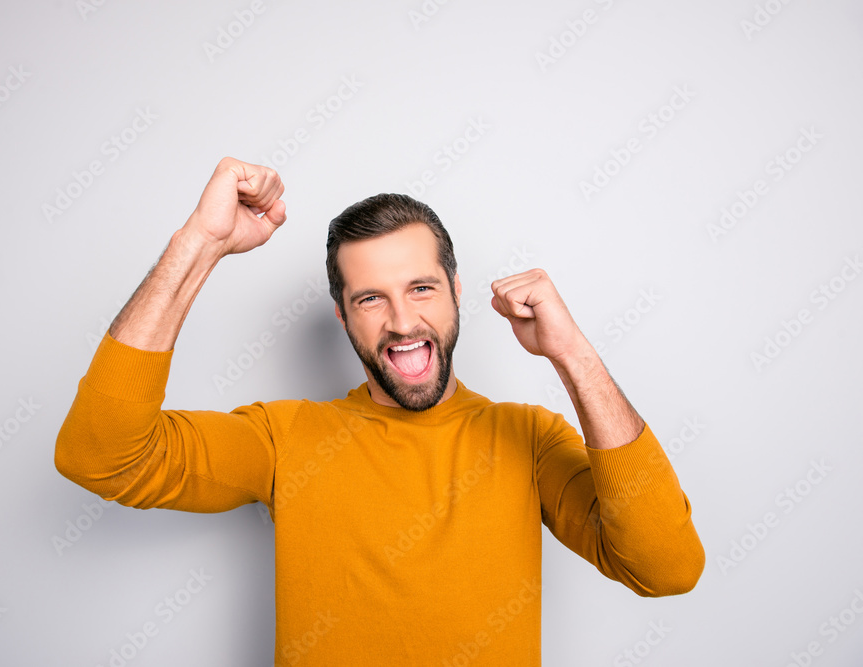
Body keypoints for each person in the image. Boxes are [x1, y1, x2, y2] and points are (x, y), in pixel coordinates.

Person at [55, 157, 704, 666]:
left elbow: (666, 567)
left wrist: (572, 354)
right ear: (342, 316)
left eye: (421, 287)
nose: (401, 321)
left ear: (455, 290)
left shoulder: (527, 439)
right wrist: (200, 241)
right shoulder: (286, 439)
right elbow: (102, 454)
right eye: (370, 299)